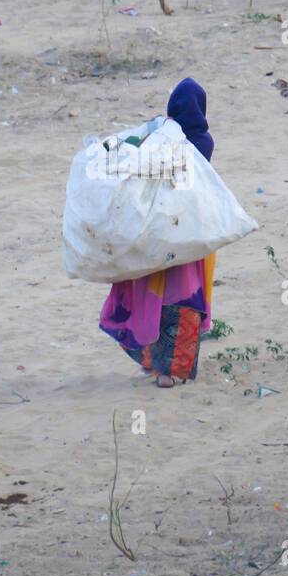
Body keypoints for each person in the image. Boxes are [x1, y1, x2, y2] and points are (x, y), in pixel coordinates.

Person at [99, 78, 216, 388]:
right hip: (187, 236)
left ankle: (153, 362)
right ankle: (169, 371)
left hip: (154, 231)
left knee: (151, 297)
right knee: (182, 300)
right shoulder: (202, 141)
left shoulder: (159, 137)